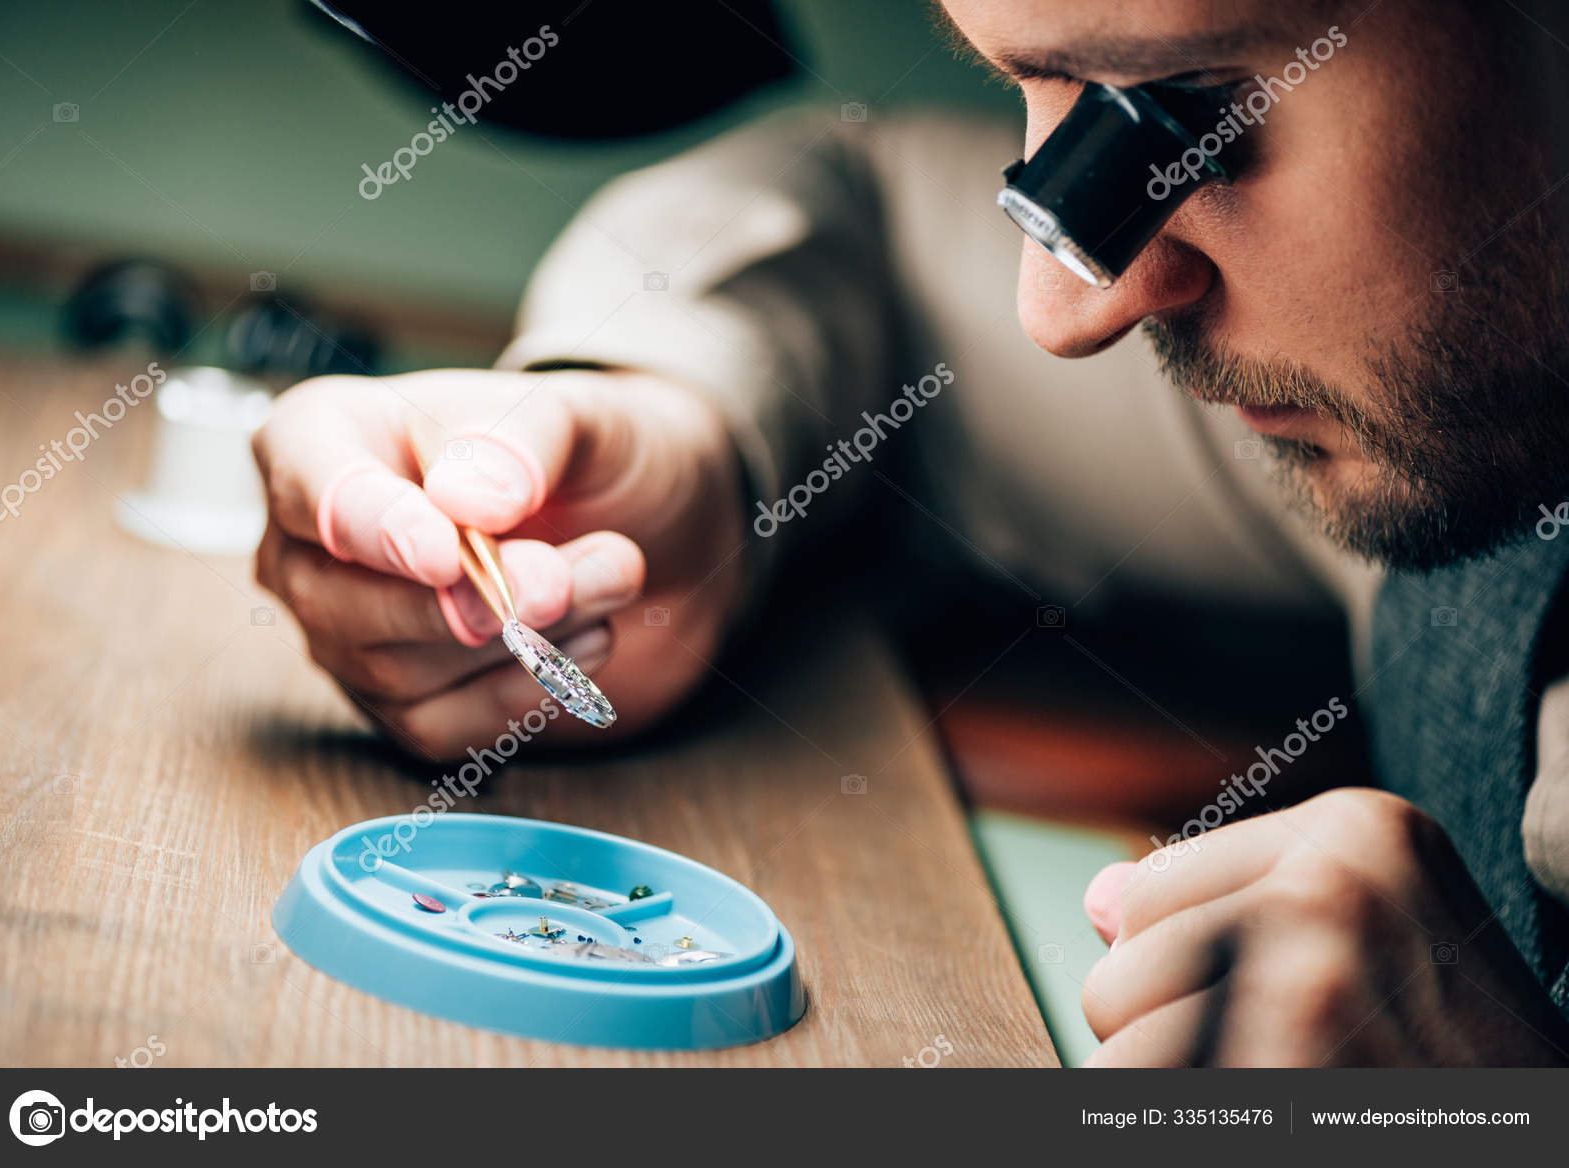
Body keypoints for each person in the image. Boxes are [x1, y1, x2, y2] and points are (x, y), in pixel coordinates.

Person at [252, 0, 1569, 1064]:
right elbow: (867, 212)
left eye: (1183, 113)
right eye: (1037, 100)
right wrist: (686, 440)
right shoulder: (1476, 397)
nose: (1060, 312)